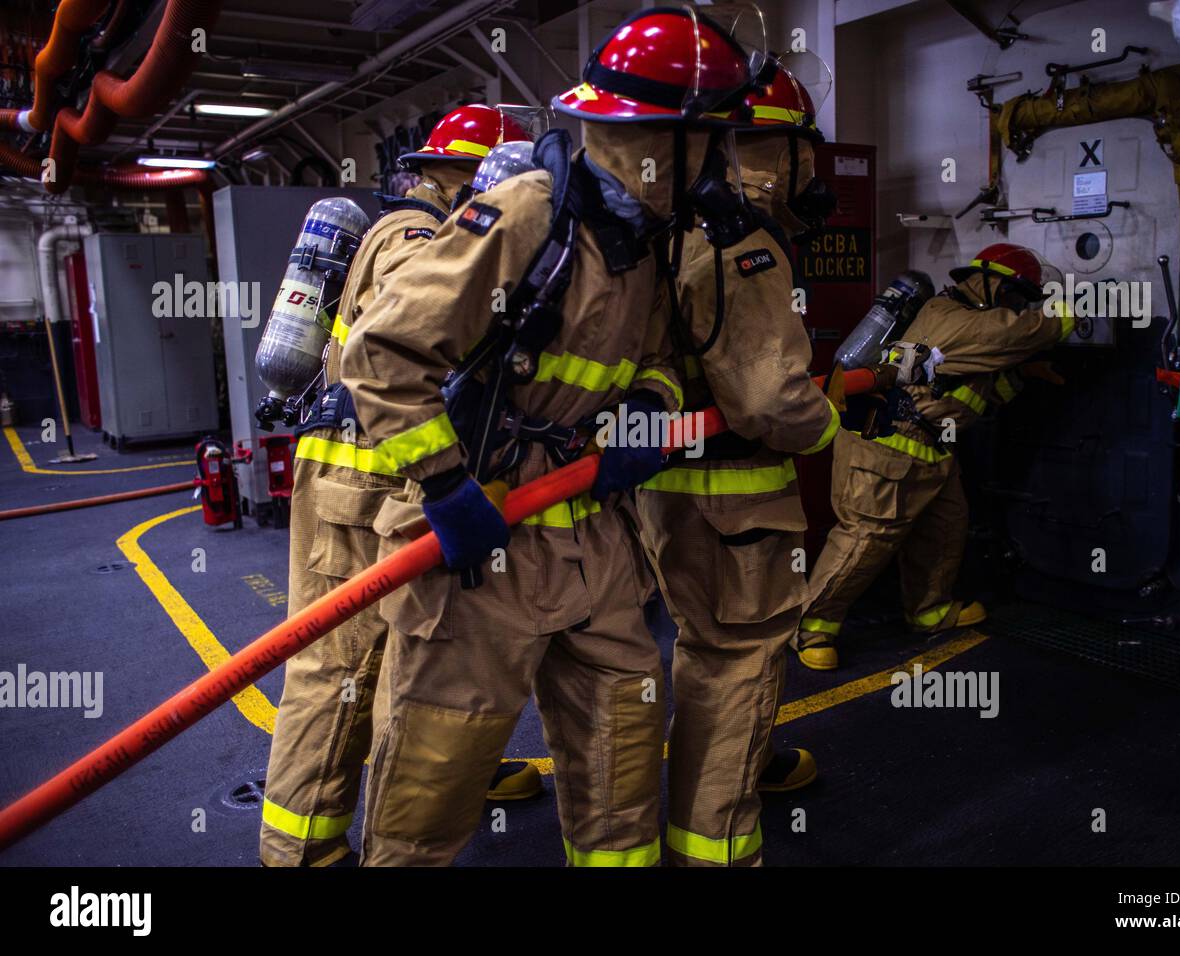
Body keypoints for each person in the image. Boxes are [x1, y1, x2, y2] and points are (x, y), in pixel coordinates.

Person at [341, 7, 770, 866]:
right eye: (714, 140)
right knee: (435, 777)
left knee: (622, 741)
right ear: (666, 140)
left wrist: (646, 410)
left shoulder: (646, 243)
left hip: (592, 538)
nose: (724, 165)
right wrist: (446, 490)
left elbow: (650, 358)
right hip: (480, 550)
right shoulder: (529, 217)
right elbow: (381, 355)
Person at [259, 105, 535, 868]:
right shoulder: (415, 242)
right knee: (338, 667)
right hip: (366, 483)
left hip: (361, 478)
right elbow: (414, 359)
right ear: (463, 180)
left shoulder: (409, 235)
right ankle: (297, 850)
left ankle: (429, 797)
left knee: (390, 662)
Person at [635, 56, 845, 867]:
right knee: (740, 665)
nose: (815, 171)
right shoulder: (744, 243)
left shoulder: (674, 226)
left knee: (702, 648)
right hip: (736, 507)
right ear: (769, 152)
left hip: (673, 497)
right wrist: (831, 428)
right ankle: (716, 848)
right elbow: (769, 404)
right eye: (803, 151)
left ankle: (741, 766)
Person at [792, 242, 1074, 671]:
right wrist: (1077, 309)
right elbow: (1013, 334)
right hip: (888, 450)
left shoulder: (964, 326)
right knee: (866, 539)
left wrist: (1021, 374)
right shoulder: (951, 318)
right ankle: (812, 625)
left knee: (943, 531)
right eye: (1016, 295)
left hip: (932, 452)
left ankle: (929, 612)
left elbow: (969, 392)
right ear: (991, 284)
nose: (1018, 306)